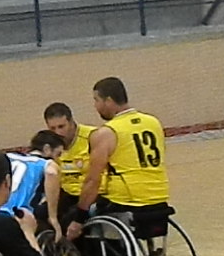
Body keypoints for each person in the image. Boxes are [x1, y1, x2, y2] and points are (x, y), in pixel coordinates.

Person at [65, 77, 169, 241]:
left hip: (128, 201)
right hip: (159, 196)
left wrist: (78, 219)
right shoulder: (153, 122)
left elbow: (93, 180)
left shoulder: (107, 133)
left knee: (72, 216)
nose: (95, 106)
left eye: (96, 100)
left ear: (108, 101)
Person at [42, 101, 101, 222]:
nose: (57, 132)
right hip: (66, 193)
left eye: (61, 126)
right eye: (52, 128)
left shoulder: (93, 136)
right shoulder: (50, 144)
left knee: (69, 220)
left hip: (91, 194)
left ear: (71, 122)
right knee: (39, 214)